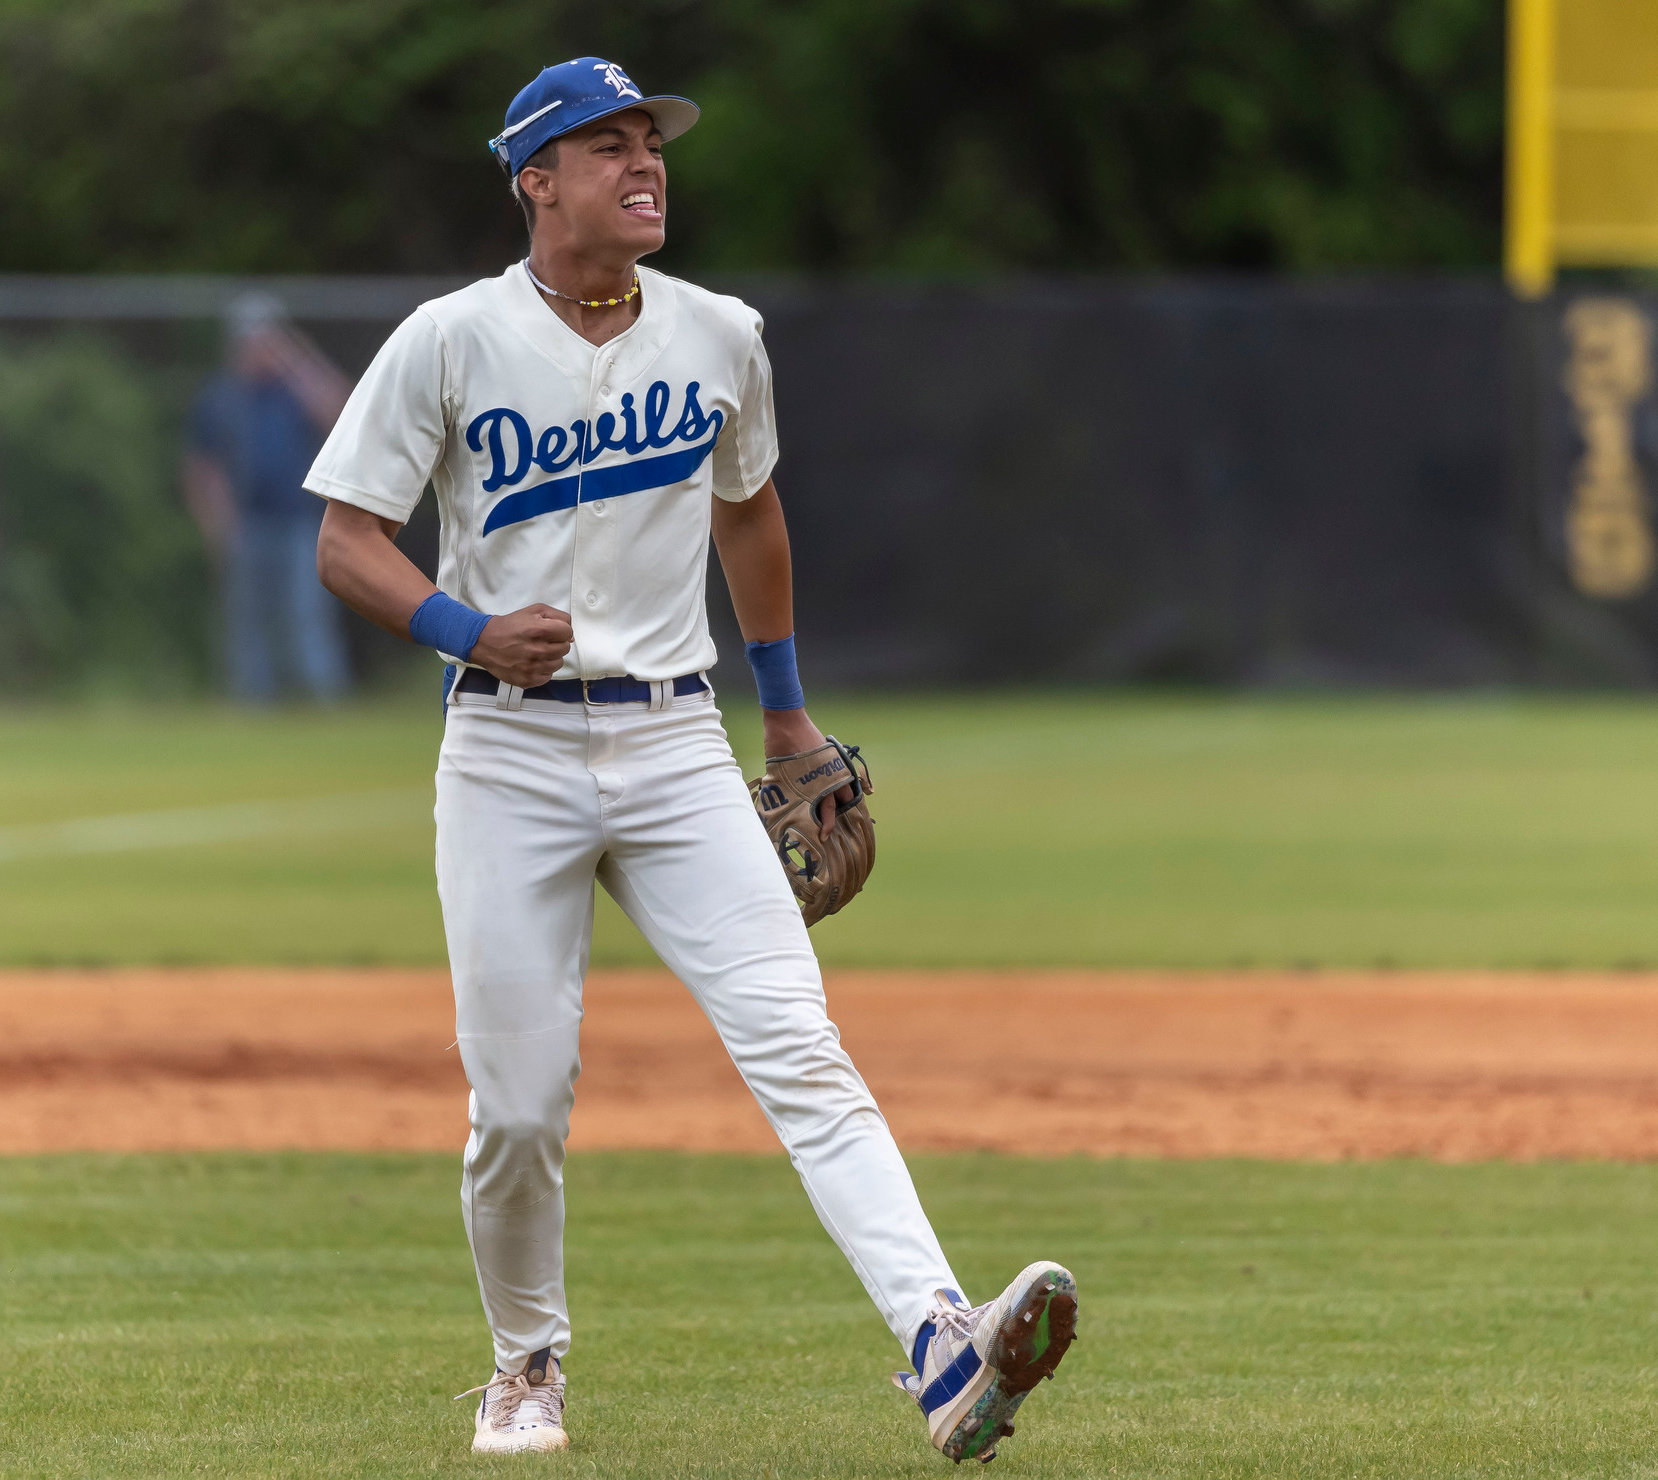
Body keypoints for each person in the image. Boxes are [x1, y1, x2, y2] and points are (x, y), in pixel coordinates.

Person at [306, 58, 1077, 1463]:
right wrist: (463, 621)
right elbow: (346, 539)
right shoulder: (450, 339)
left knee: (802, 1049)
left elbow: (751, 516)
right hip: (505, 751)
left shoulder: (720, 335)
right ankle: (523, 1367)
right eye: (605, 148)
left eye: (649, 143)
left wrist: (783, 714)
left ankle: (942, 1347)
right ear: (533, 181)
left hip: (675, 744)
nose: (643, 164)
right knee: (519, 1109)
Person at [183, 294, 356, 703]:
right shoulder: (221, 397)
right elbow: (202, 468)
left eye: (268, 339)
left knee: (306, 614)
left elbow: (342, 412)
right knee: (247, 623)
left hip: (299, 523)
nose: (259, 348)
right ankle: (253, 704)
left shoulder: (296, 390)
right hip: (245, 524)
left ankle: (321, 699)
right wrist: (216, 525)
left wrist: (296, 361)